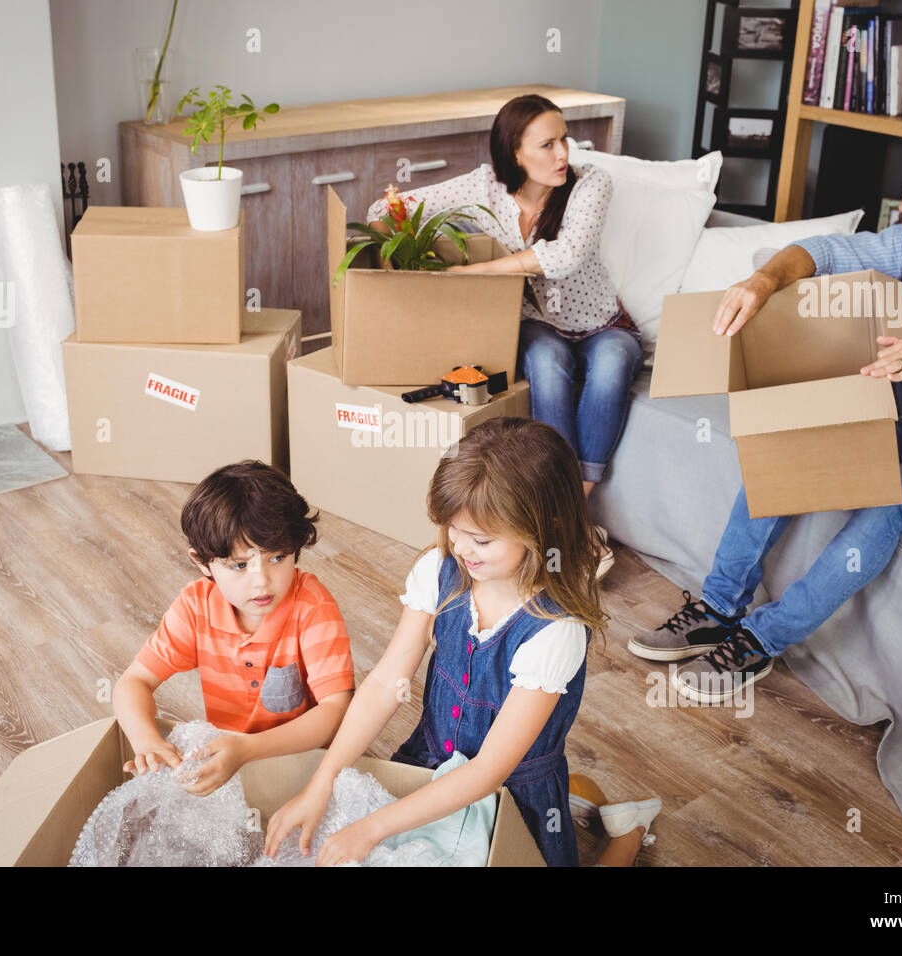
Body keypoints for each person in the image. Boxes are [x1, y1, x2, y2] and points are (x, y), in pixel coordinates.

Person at [628, 138, 902, 703]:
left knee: (890, 502)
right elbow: (823, 253)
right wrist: (764, 281)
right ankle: (717, 608)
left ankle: (760, 640)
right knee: (789, 437)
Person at [264, 417, 660, 866]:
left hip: (510, 790)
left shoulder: (556, 632)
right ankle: (579, 798)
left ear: (545, 527)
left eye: (481, 539)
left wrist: (371, 828)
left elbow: (489, 771)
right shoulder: (440, 571)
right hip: (433, 763)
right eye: (453, 529)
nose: (461, 548)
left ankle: (628, 829)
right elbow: (384, 683)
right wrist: (322, 782)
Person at [363, 93, 643, 578]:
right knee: (547, 368)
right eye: (547, 144)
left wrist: (482, 271)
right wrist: (394, 242)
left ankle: (571, 510)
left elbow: (567, 254)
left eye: (565, 140)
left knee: (616, 361)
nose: (563, 154)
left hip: (601, 320)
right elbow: (391, 206)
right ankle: (571, 525)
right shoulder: (485, 187)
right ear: (515, 153)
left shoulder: (591, 183)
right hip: (537, 322)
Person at [113, 461, 355, 795]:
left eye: (277, 558)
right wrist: (146, 740)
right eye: (240, 566)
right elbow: (134, 682)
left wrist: (247, 749)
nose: (262, 582)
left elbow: (335, 711)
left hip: (305, 764)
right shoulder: (195, 606)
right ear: (201, 563)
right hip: (230, 762)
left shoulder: (312, 607)